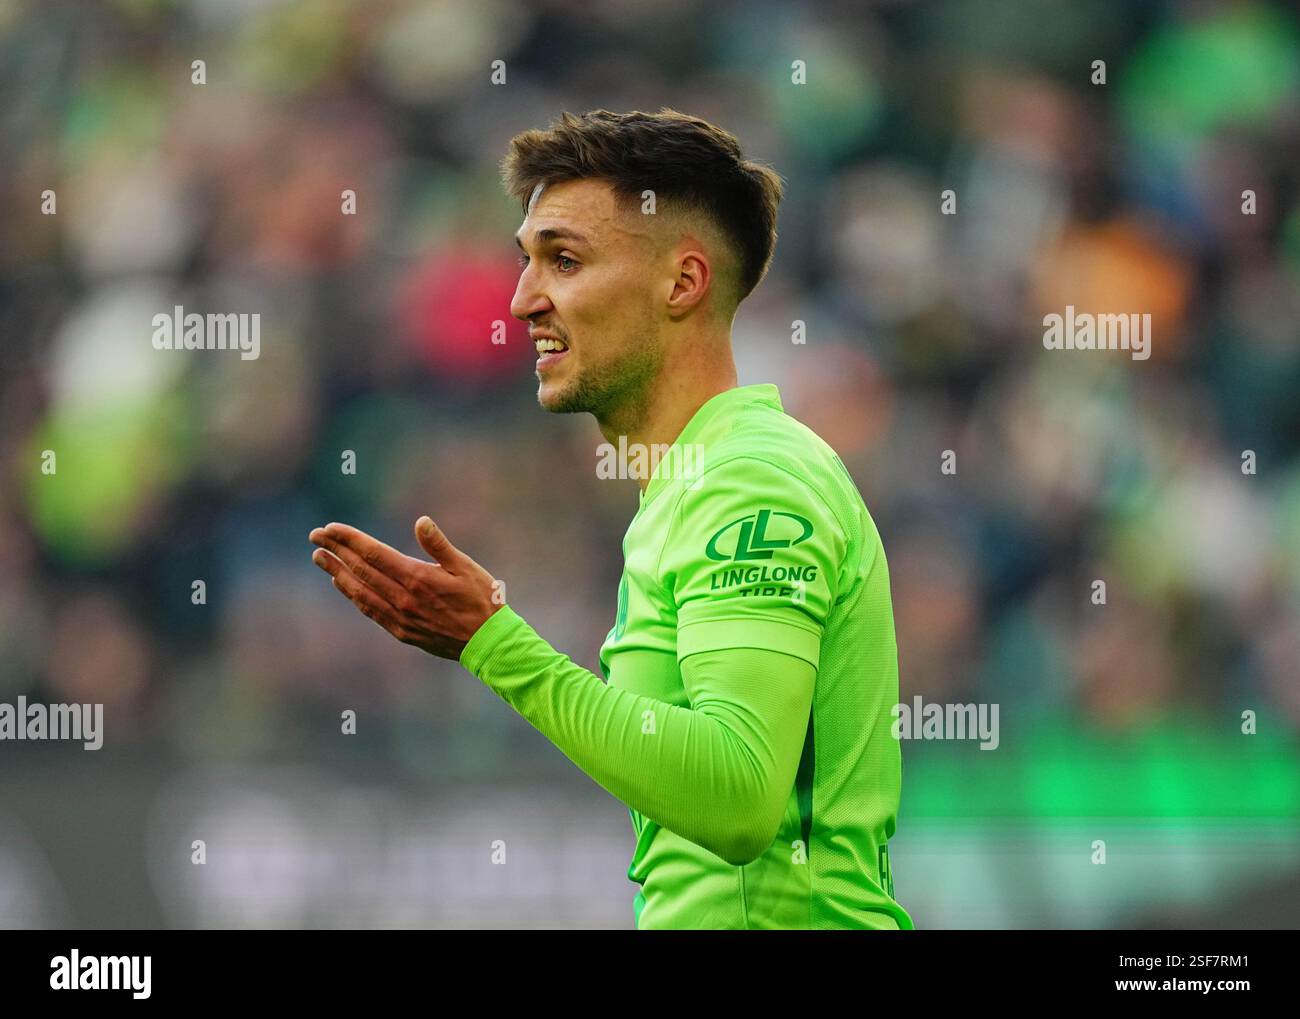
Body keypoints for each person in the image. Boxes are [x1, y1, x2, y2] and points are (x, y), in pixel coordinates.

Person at [310, 108, 912, 930]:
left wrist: (495, 646)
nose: (523, 301)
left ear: (682, 282)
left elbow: (738, 796)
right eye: (525, 262)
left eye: (563, 260)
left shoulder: (748, 481)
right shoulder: (691, 484)